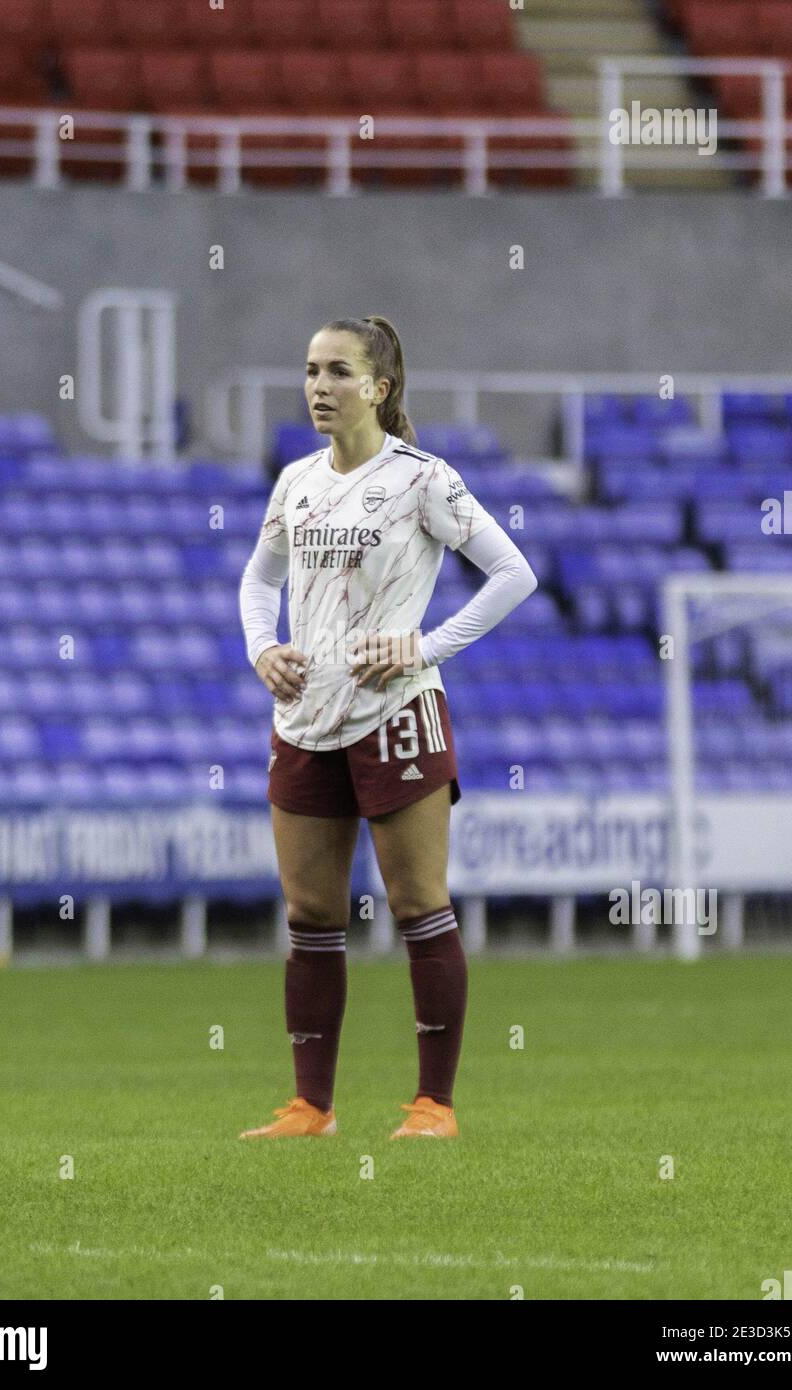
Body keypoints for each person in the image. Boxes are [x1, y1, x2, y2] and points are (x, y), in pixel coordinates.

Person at [237, 315, 537, 1139]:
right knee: (310, 914)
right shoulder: (295, 481)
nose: (318, 387)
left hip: (396, 712)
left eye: (338, 371)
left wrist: (425, 647)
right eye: (310, 370)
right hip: (303, 716)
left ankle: (433, 1105)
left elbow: (514, 573)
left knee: (416, 904)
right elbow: (258, 580)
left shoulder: (421, 480)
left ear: (380, 387)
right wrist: (262, 647)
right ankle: (311, 1107)